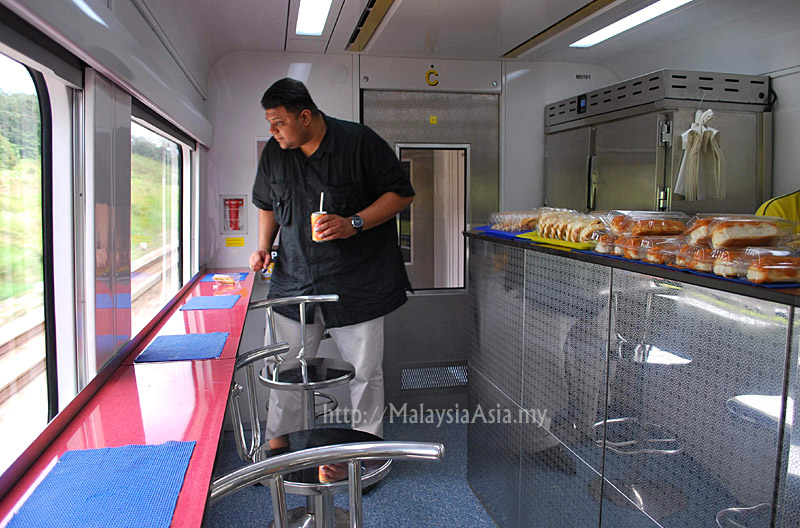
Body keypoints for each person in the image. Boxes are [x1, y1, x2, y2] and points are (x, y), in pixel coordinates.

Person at [249, 78, 414, 462]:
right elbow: (266, 203)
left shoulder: (359, 143)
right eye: (269, 124)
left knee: (364, 376)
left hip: (357, 284)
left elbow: (401, 193)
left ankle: (367, 455)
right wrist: (262, 247)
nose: (272, 131)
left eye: (278, 122)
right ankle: (279, 450)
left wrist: (352, 222)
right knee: (286, 375)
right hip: (295, 285)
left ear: (305, 116)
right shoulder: (275, 154)